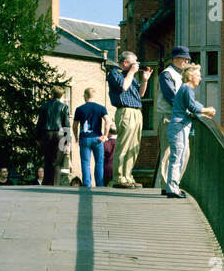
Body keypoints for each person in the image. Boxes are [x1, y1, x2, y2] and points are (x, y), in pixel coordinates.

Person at [165, 63, 214, 200]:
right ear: (191, 76)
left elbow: (191, 105)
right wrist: (207, 110)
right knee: (177, 157)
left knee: (179, 157)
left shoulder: (184, 89)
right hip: (179, 127)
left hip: (179, 127)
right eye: (198, 75)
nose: (200, 78)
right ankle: (172, 189)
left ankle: (173, 187)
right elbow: (192, 106)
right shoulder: (187, 89)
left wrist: (202, 111)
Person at [106, 51, 151, 188]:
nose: (136, 66)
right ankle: (119, 177)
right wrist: (131, 72)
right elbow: (123, 87)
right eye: (134, 63)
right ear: (125, 63)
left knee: (133, 147)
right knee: (124, 145)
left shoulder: (130, 76)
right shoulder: (115, 73)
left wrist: (144, 80)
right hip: (125, 111)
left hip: (137, 111)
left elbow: (140, 94)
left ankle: (128, 176)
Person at [155, 47, 191, 192]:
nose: (186, 61)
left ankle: (174, 184)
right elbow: (172, 97)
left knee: (185, 152)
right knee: (167, 152)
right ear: (174, 59)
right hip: (168, 117)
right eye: (183, 58)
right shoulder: (167, 74)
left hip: (179, 117)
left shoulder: (181, 75)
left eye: (187, 59)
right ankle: (165, 186)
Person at [73, 87, 110, 189]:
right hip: (98, 138)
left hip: (84, 138)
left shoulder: (79, 109)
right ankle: (99, 185)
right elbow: (107, 120)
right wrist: (105, 135)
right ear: (93, 96)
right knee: (99, 162)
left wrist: (76, 137)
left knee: (85, 162)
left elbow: (75, 125)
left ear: (85, 96)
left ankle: (87, 185)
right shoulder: (101, 108)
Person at [35, 92, 71, 186]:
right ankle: (55, 184)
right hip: (60, 135)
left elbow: (40, 122)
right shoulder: (64, 107)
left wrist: (38, 137)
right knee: (58, 162)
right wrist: (67, 140)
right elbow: (66, 124)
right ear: (61, 95)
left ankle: (46, 183)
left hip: (46, 134)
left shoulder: (44, 105)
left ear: (52, 94)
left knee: (47, 159)